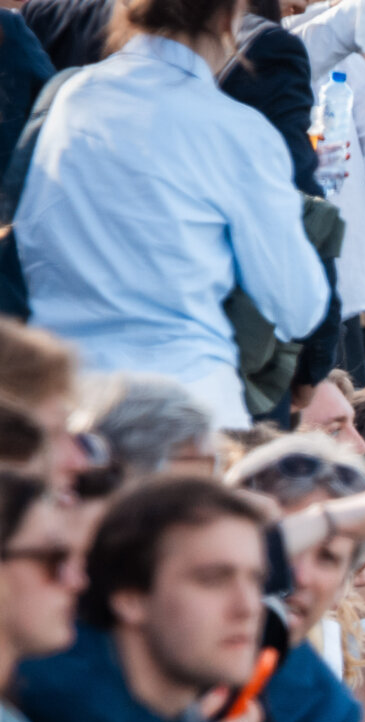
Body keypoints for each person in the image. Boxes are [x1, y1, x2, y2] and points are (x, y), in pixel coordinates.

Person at [14, 0, 329, 429]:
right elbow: (298, 304)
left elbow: (30, 238)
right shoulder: (237, 129)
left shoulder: (69, 99)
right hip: (186, 400)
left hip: (74, 397)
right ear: (228, 18)